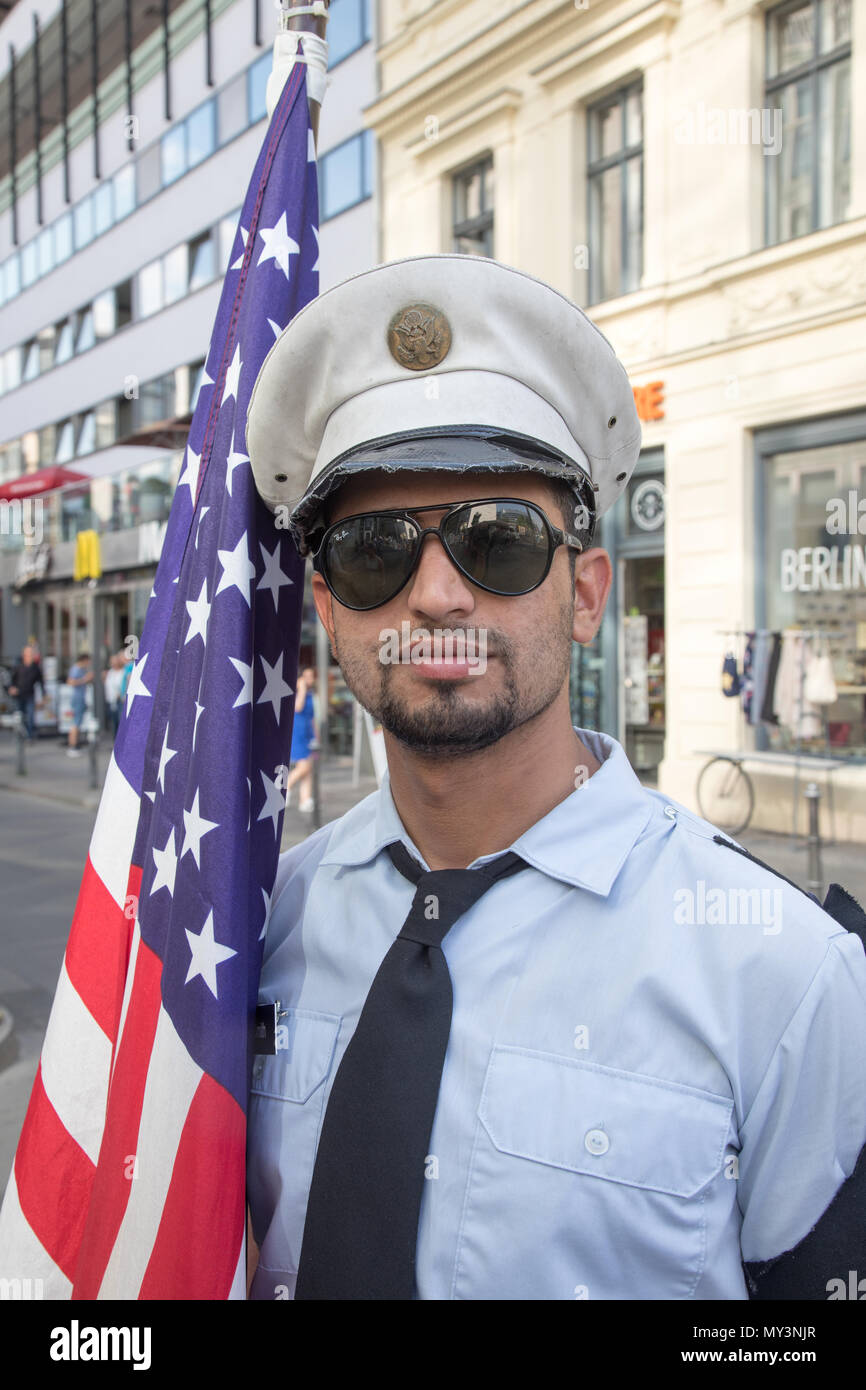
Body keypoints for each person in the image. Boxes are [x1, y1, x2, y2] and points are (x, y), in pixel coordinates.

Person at [243, 255, 866, 1300]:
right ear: (327, 608)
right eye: (372, 551)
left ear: (583, 594)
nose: (436, 594)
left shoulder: (785, 976)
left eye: (496, 539)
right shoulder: (267, 924)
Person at [285, 666, 317, 812]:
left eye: (311, 676)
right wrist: (301, 689)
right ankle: (285, 787)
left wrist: (316, 736)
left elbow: (312, 717)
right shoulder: (296, 693)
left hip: (307, 733)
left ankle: (305, 799)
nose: (309, 680)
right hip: (296, 733)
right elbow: (298, 707)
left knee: (308, 769)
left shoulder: (311, 695)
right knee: (303, 766)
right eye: (306, 677)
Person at [8, 644, 44, 740]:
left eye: (31, 653)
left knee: (30, 715)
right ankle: (19, 735)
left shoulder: (35, 668)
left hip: (29, 694)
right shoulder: (18, 666)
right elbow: (11, 680)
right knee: (19, 716)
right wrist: (11, 688)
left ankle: (29, 735)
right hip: (18, 694)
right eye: (28, 653)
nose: (30, 655)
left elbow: (41, 682)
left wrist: (44, 695)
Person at [66, 650, 93, 757]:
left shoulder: (81, 669)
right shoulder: (76, 669)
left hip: (80, 698)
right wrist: (85, 679)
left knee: (77, 722)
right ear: (84, 660)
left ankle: (74, 745)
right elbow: (70, 682)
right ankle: (73, 746)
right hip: (77, 698)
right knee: (76, 722)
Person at [103, 652, 125, 741]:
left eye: (115, 661)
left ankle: (120, 741)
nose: (113, 663)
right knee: (113, 722)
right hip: (110, 700)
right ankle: (115, 741)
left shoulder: (123, 672)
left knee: (120, 721)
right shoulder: (110, 672)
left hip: (119, 700)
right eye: (111, 661)